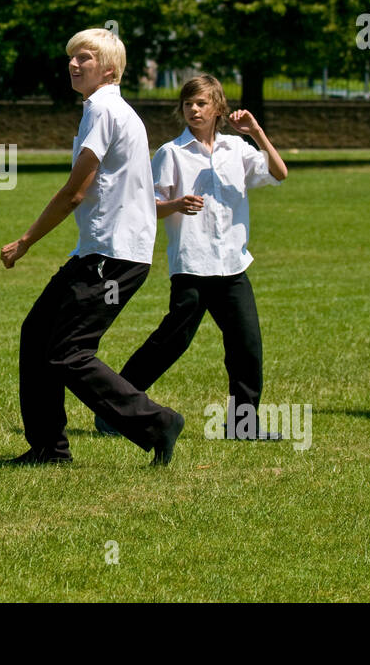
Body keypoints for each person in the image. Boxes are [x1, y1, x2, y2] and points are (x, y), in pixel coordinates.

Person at [0, 29, 184, 466]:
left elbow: (75, 192)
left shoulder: (102, 108)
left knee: (68, 351)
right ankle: (48, 447)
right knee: (38, 334)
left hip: (112, 255)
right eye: (71, 57)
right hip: (102, 250)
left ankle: (156, 422)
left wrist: (26, 241)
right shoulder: (115, 109)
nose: (73, 64)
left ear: (109, 69)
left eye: (84, 57)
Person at [100, 75, 287, 441]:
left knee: (246, 346)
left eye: (201, 103)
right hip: (192, 266)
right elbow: (146, 207)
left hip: (233, 266)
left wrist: (256, 133)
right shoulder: (171, 154)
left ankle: (242, 424)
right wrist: (176, 204)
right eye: (188, 104)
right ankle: (114, 408)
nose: (194, 110)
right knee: (170, 342)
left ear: (218, 108)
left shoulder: (237, 150)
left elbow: (279, 173)